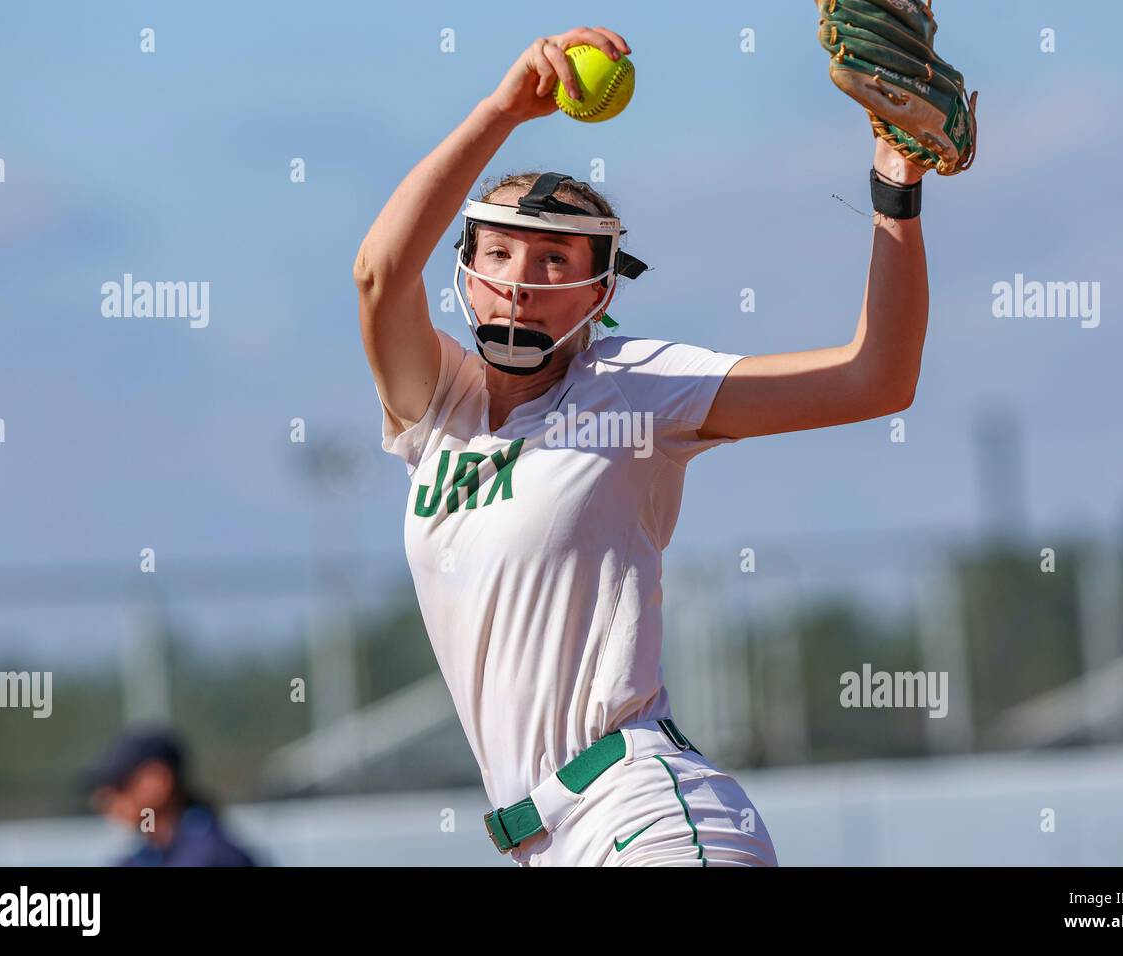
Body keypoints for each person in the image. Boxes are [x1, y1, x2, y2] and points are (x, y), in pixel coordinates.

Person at [354, 26, 930, 866]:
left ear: (601, 287)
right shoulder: (435, 406)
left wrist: (896, 189)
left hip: (646, 816)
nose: (521, 278)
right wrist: (500, 110)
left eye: (555, 258)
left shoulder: (636, 386)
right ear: (465, 273)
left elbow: (874, 379)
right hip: (549, 844)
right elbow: (378, 273)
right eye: (501, 251)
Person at [86, 727, 256, 867]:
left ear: (159, 781)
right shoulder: (148, 855)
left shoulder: (215, 857)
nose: (103, 799)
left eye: (119, 785)